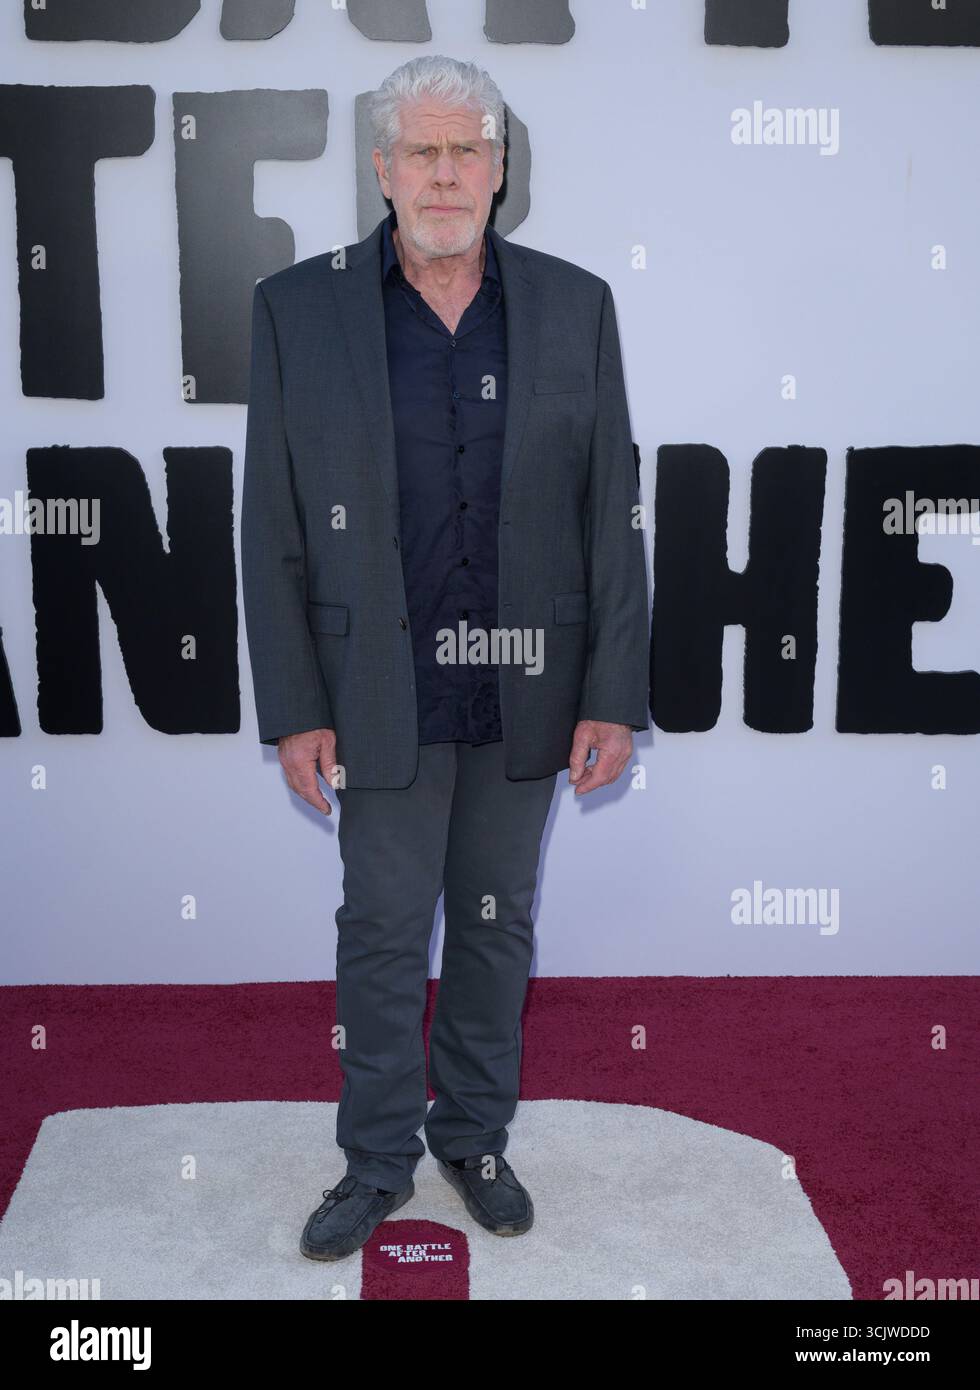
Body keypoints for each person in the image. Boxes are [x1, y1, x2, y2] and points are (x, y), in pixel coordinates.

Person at [241, 54, 650, 1262]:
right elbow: (270, 522)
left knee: (492, 921)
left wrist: (611, 693)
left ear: (499, 165)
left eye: (466, 149)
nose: (443, 173)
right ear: (380, 169)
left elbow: (611, 507)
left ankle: (470, 1136)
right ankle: (375, 1160)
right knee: (379, 927)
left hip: (529, 679)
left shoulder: (573, 306)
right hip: (377, 687)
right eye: (418, 152)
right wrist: (294, 707)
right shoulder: (296, 310)